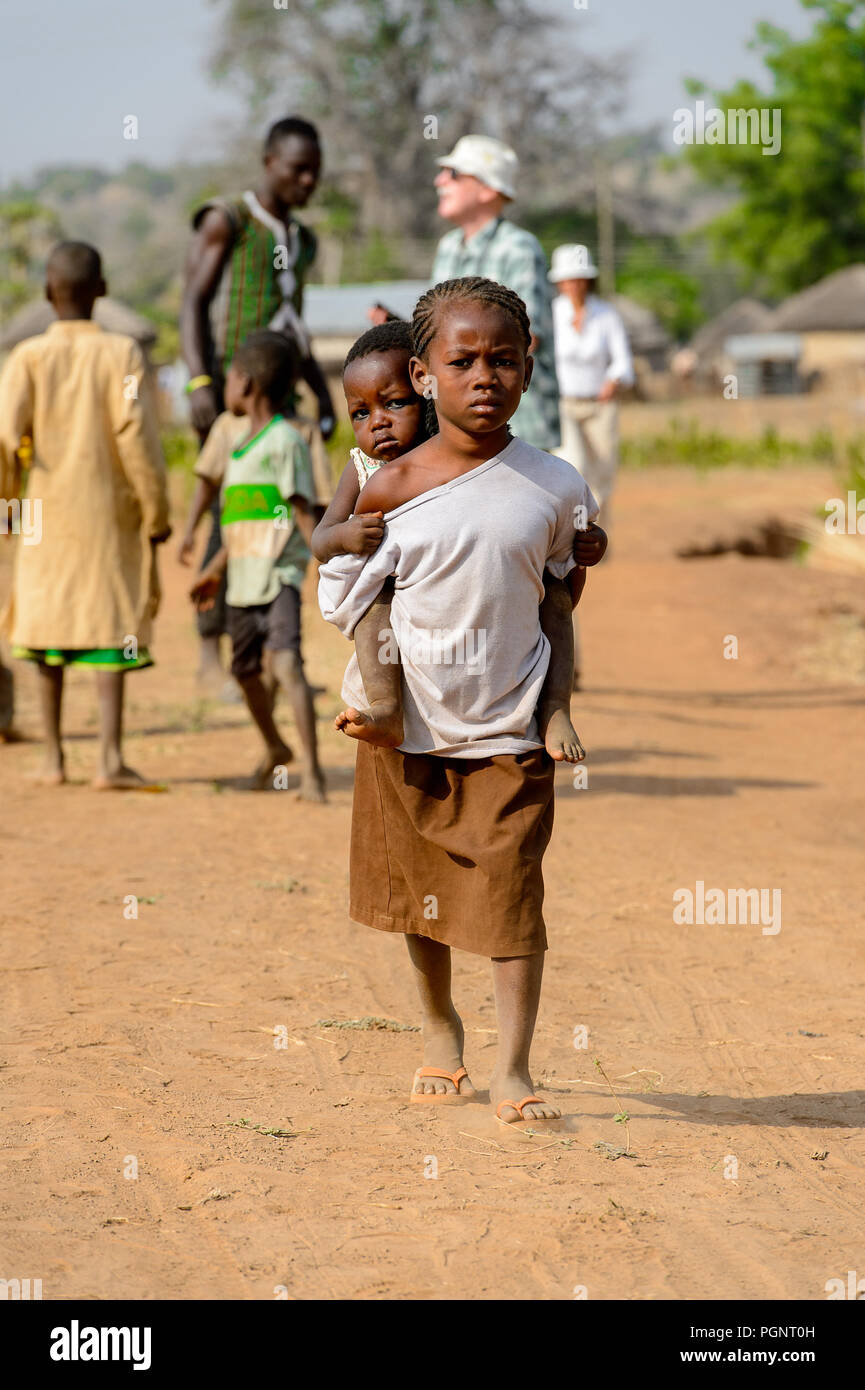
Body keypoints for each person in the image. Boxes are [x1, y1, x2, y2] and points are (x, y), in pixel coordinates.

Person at [319, 276, 599, 1123]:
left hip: (508, 723)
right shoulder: (391, 484)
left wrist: (582, 562)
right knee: (421, 894)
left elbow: (557, 589)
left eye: (503, 360)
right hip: (411, 727)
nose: (485, 376)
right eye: (462, 359)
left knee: (514, 894)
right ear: (424, 372)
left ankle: (513, 1067)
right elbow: (343, 595)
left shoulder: (552, 482)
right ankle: (440, 1029)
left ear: (528, 367)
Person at [315, 318, 606, 755]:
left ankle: (556, 708)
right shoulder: (363, 470)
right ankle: (386, 705)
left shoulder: (466, 452)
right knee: (373, 604)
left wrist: (593, 543)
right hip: (402, 606)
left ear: (427, 392)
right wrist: (347, 535)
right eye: (361, 413)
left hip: (493, 612)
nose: (378, 423)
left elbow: (557, 531)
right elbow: (321, 541)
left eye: (395, 404)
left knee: (557, 596)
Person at [0, 241, 170, 787]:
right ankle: (109, 759)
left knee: (46, 626)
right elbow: (134, 433)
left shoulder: (26, 357)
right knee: (109, 624)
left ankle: (53, 758)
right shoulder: (121, 354)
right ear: (102, 290)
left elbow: (6, 439)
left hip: (42, 514)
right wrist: (155, 508)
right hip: (107, 510)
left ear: (48, 293)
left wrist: (8, 511)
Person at [180, 115, 335, 690]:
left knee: (279, 520)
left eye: (315, 170)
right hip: (232, 396)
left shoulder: (303, 239)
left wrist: (321, 394)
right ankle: (208, 655)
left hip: (282, 401)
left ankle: (273, 651)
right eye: (298, 169)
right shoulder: (229, 221)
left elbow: (296, 328)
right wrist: (200, 383)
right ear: (269, 162)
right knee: (231, 515)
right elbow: (192, 301)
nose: (308, 180)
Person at [189, 332, 326, 803]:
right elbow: (242, 523)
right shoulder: (236, 444)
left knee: (287, 664)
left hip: (279, 577)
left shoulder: (287, 441)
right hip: (240, 582)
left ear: (244, 383)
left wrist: (330, 564)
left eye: (228, 377)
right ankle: (275, 745)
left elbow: (303, 512)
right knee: (245, 670)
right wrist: (214, 567)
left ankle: (313, 775)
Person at [429, 135, 561, 453]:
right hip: (455, 424)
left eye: (455, 174)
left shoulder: (518, 247)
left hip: (520, 423)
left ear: (488, 189)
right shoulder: (447, 247)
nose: (440, 180)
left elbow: (527, 336)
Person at [550, 244, 634, 520]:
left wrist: (613, 380)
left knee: (603, 473)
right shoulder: (550, 315)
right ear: (560, 282)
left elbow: (623, 362)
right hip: (565, 403)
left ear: (588, 281)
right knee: (573, 464)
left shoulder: (606, 315)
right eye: (569, 279)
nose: (574, 285)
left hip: (600, 405)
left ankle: (595, 535)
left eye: (579, 278)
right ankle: (569, 532)